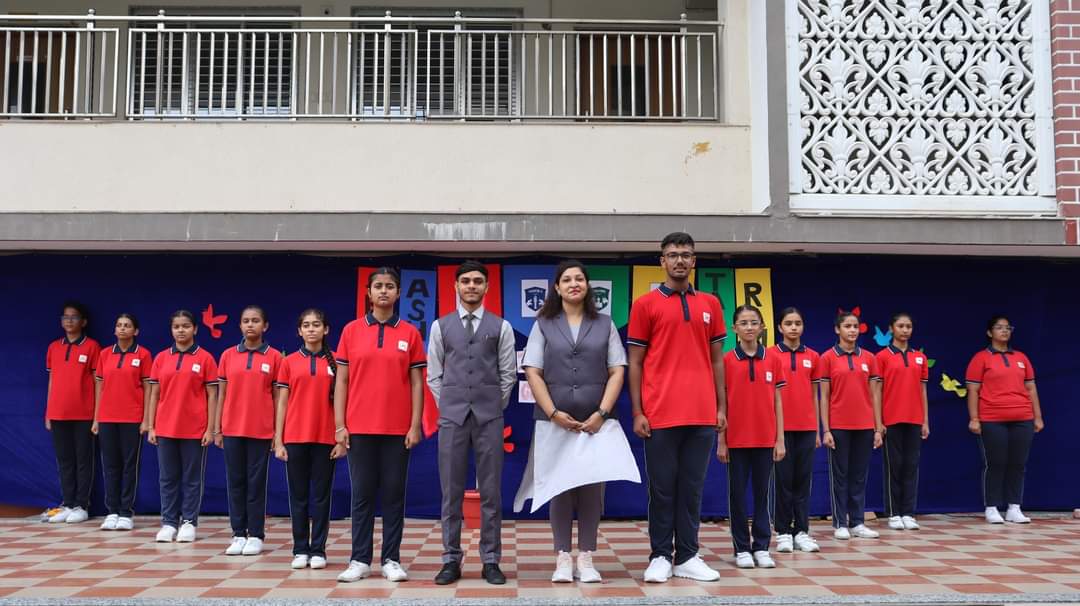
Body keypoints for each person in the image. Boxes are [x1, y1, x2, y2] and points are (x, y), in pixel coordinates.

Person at [514, 260, 632, 584]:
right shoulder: (544, 323)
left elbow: (617, 369)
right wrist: (553, 412)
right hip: (554, 421)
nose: (574, 283)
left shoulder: (605, 323)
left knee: (593, 490)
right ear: (557, 287)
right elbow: (532, 370)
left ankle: (587, 557)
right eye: (567, 279)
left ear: (587, 285)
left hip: (596, 422)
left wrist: (602, 413)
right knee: (560, 488)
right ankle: (563, 557)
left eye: (579, 278)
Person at [627, 232, 727, 583]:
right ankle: (659, 555)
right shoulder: (645, 305)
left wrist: (720, 407)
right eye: (672, 255)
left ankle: (687, 555)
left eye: (686, 254)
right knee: (662, 488)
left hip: (701, 412)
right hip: (660, 413)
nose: (680, 260)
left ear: (694, 260)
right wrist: (638, 411)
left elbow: (717, 360)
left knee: (692, 488)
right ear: (662, 261)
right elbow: (635, 362)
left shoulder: (711, 304)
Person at [427, 261, 517, 585]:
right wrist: (449, 402)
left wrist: (492, 403)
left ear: (487, 287)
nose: (471, 286)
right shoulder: (440, 326)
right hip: (451, 418)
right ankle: (450, 559)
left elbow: (508, 375)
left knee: (491, 492)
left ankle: (490, 560)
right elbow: (433, 374)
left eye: (478, 281)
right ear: (456, 286)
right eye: (465, 281)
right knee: (450, 492)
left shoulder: (501, 327)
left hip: (489, 417)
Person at [334, 269, 426, 583]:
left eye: (389, 287)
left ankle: (391, 558)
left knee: (393, 495)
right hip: (359, 427)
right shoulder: (351, 331)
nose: (383, 291)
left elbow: (417, 383)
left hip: (397, 429)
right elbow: (342, 381)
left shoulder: (410, 333)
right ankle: (359, 559)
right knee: (361, 495)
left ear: (398, 293)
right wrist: (339, 425)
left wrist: (414, 425)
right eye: (378, 286)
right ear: (369, 293)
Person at [273, 309, 344, 570]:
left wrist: (341, 439)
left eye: (316, 325)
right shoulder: (288, 362)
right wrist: (278, 440)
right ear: (298, 331)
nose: (311, 329)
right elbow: (282, 403)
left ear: (326, 329)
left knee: (322, 497)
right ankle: (300, 548)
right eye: (306, 325)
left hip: (326, 438)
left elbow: (343, 402)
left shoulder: (337, 361)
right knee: (298, 496)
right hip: (295, 437)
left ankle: (319, 550)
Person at [717, 305, 785, 569]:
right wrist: (722, 440)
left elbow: (778, 401)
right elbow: (721, 404)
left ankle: (761, 546)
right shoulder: (725, 361)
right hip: (736, 440)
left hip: (765, 439)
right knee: (737, 496)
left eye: (753, 322)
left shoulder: (773, 359)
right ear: (734, 328)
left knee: (762, 494)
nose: (748, 327)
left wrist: (779, 439)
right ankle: (741, 548)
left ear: (762, 326)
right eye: (743, 323)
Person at [215, 305, 283, 556]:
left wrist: (278, 432)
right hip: (232, 428)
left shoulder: (275, 357)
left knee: (256, 484)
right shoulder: (228, 355)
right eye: (246, 321)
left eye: (256, 321)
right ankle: (237, 533)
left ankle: (255, 534)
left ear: (265, 326)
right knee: (236, 482)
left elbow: (278, 397)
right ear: (240, 326)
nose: (250, 325)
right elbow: (221, 394)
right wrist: (216, 429)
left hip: (261, 430)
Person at [965, 314, 1045, 524]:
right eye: (999, 327)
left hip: (1023, 417)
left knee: (1018, 463)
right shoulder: (980, 358)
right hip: (992, 418)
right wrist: (974, 418)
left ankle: (1014, 507)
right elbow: (973, 390)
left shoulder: (1021, 358)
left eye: (1008, 327)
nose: (1004, 331)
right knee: (995, 463)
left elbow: (1031, 388)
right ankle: (991, 508)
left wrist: (1037, 416)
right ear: (990, 332)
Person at [147, 310, 217, 543]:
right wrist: (151, 426)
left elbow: (212, 395)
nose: (181, 330)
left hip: (195, 429)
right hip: (166, 427)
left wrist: (210, 428)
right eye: (176, 326)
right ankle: (168, 522)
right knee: (167, 477)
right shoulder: (161, 358)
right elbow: (154, 393)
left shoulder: (205, 358)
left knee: (192, 477)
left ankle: (188, 521)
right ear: (171, 330)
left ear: (195, 329)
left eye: (186, 326)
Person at [817, 310, 883, 540]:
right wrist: (826, 429)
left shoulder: (869, 358)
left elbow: (875, 395)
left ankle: (857, 522)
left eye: (855, 326)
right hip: (839, 425)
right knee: (840, 474)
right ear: (837, 330)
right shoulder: (827, 358)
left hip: (864, 425)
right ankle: (840, 522)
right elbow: (824, 396)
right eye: (847, 326)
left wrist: (877, 427)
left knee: (859, 475)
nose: (852, 330)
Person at [92, 313, 153, 531]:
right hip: (107, 417)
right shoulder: (105, 354)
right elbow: (99, 387)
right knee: (110, 465)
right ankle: (112, 511)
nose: (122, 329)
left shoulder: (143, 355)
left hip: (132, 418)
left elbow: (149, 388)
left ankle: (126, 512)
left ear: (135, 331)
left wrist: (146, 419)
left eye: (127, 326)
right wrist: (96, 417)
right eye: (119, 325)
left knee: (129, 465)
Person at [44, 301, 101, 524]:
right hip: (58, 412)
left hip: (84, 413)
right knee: (64, 460)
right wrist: (48, 411)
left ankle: (81, 505)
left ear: (83, 321)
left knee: (83, 460)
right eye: (65, 317)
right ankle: (67, 503)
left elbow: (98, 382)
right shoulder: (53, 347)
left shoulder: (92, 347)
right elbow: (52, 380)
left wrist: (97, 415)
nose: (69, 321)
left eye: (74, 317)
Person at [771, 307, 821, 553]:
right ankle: (782, 532)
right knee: (783, 481)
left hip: (807, 428)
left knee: (803, 481)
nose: (793, 327)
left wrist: (818, 430)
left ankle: (801, 531)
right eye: (788, 323)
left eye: (797, 323)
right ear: (780, 327)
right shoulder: (770, 355)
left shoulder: (813, 356)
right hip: (779, 429)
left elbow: (814, 395)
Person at [876, 312, 929, 531]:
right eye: (900, 326)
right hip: (892, 419)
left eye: (908, 326)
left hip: (914, 419)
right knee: (894, 466)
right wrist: (878, 421)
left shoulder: (920, 357)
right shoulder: (882, 357)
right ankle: (893, 512)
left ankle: (908, 512)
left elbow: (922, 390)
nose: (905, 330)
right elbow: (876, 391)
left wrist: (925, 420)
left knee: (911, 466)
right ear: (891, 329)